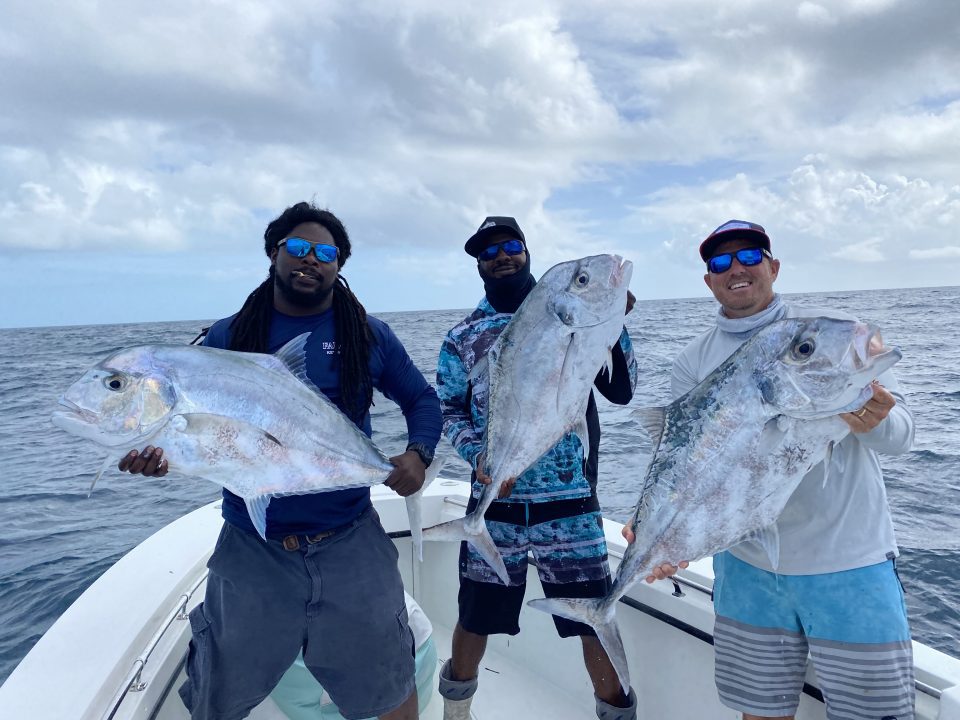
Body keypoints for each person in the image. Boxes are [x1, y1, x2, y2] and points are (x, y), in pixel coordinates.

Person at [118, 202, 442, 720]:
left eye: (325, 253)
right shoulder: (227, 337)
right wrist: (162, 457)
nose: (310, 260)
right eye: (297, 248)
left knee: (388, 681)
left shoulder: (368, 334)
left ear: (339, 265)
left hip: (349, 537)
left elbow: (423, 401)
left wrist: (418, 454)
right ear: (274, 254)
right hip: (251, 545)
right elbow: (191, 430)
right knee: (216, 696)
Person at [660, 219, 916, 720]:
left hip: (850, 565)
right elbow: (680, 469)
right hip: (749, 568)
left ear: (773, 267)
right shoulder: (693, 362)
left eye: (750, 256)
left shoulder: (823, 337)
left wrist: (874, 421)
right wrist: (667, 534)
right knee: (760, 713)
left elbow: (903, 435)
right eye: (720, 262)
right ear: (709, 281)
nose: (736, 268)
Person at [434, 216, 640, 720]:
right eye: (488, 251)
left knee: (594, 618)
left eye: (511, 245)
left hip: (569, 502)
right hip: (495, 501)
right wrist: (476, 456)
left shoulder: (568, 315)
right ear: (478, 264)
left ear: (526, 251)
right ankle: (455, 715)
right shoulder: (463, 337)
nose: (501, 255)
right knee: (474, 618)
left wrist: (614, 325)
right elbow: (449, 408)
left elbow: (623, 390)